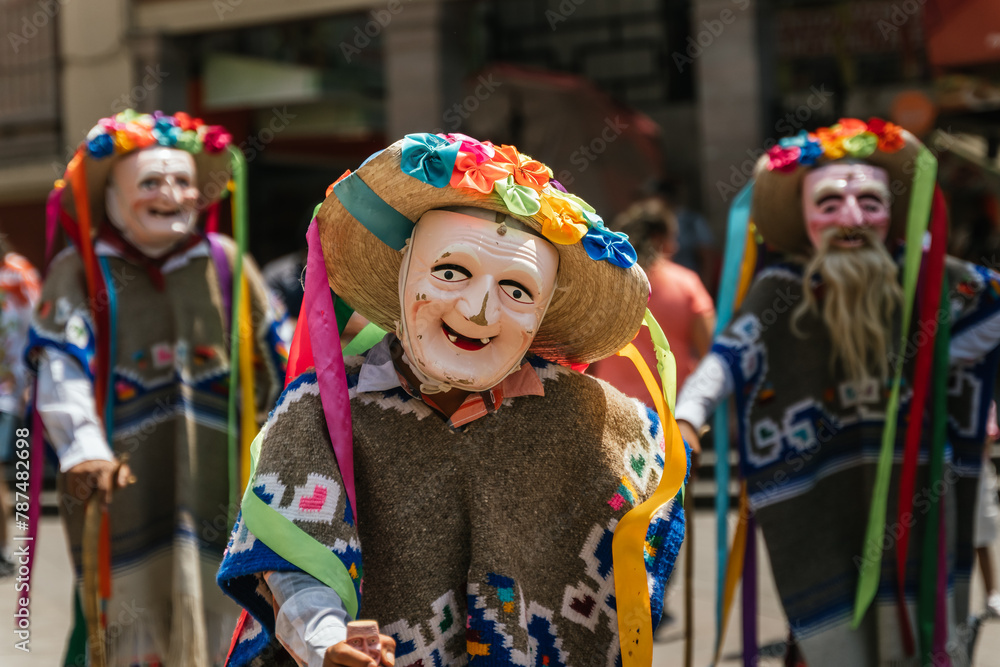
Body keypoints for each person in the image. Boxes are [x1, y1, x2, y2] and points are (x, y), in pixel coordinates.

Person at [217, 133, 689, 666]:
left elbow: (648, 473)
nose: (481, 310)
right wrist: (327, 640)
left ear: (543, 313)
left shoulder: (585, 417)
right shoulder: (323, 410)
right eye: (450, 272)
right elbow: (292, 560)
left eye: (516, 290)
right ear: (402, 278)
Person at [675, 118, 1000, 666]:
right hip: (821, 496)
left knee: (917, 638)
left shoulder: (931, 283)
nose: (852, 220)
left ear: (893, 212)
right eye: (830, 203)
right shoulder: (781, 294)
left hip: (917, 492)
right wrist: (686, 420)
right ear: (804, 217)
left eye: (870, 202)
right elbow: (728, 359)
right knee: (835, 638)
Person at [27, 110, 287, 666]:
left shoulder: (227, 265)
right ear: (115, 198)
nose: (171, 194)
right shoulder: (81, 272)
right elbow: (59, 363)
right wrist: (84, 450)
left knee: (227, 608)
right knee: (127, 620)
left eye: (182, 181)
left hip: (222, 481)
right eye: (151, 182)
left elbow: (278, 360)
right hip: (121, 484)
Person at [0, 241, 40, 578]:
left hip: (7, 393)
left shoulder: (17, 272)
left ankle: (2, 551)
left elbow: (40, 328)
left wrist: (31, 382)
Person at [976, 402, 1000, 619]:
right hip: (945, 467)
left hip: (978, 470)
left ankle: (992, 596)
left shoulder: (986, 401)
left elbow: (988, 437)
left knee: (983, 538)